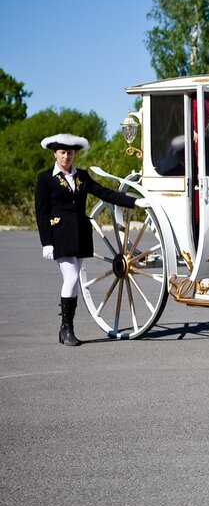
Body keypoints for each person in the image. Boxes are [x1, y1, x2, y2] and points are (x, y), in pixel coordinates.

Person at [34, 133, 149, 346]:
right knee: (71, 278)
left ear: (74, 154)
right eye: (62, 153)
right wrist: (46, 242)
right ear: (55, 154)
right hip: (60, 235)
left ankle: (65, 329)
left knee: (75, 277)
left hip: (81, 235)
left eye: (70, 153)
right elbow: (41, 212)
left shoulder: (82, 176)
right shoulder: (45, 179)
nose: (66, 157)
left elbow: (105, 193)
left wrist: (134, 202)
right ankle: (67, 329)